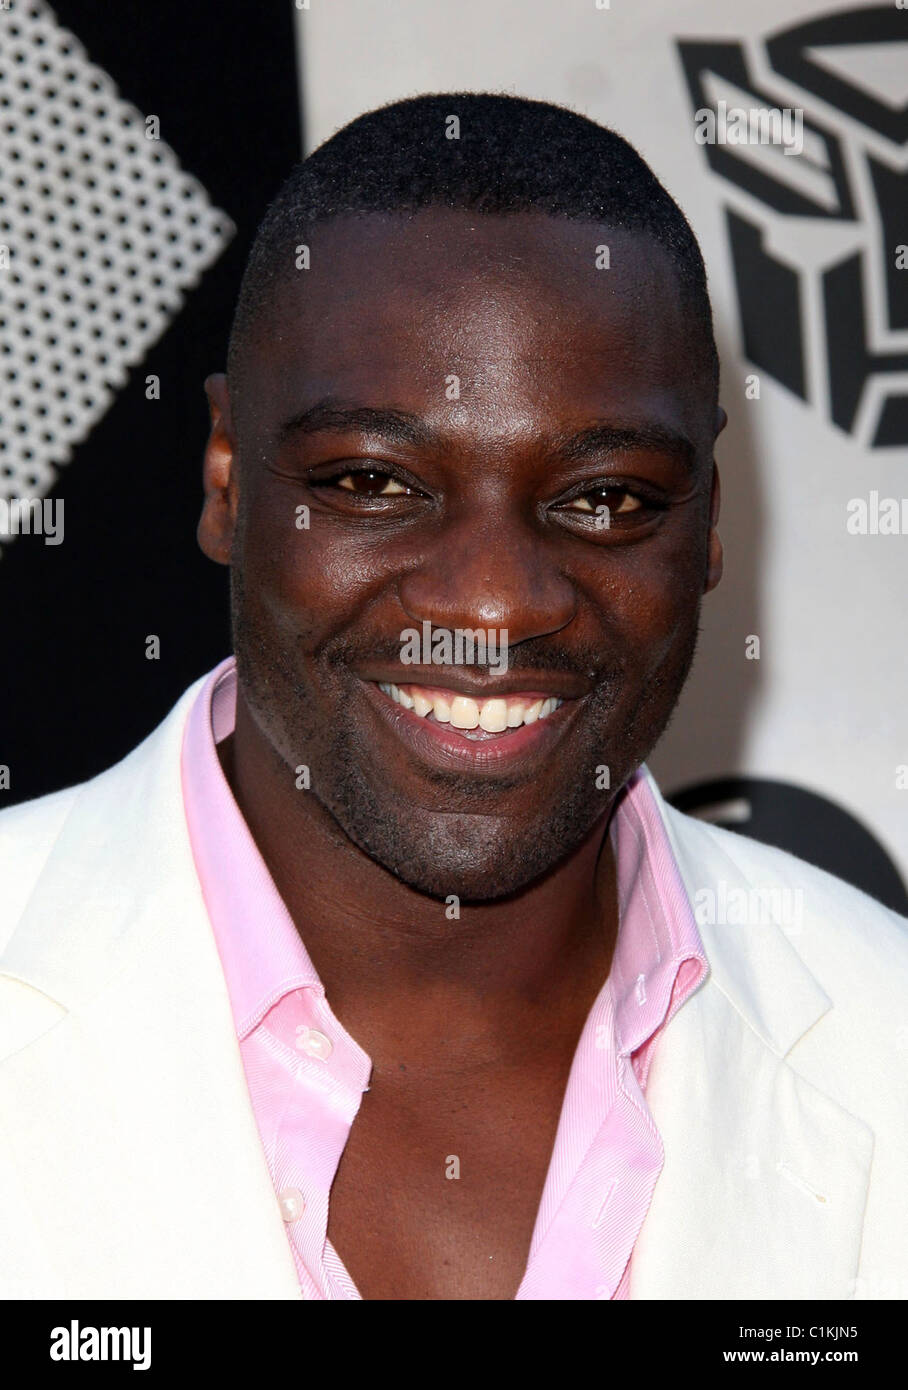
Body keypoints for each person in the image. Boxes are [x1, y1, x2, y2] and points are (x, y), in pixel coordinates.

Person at [1, 93, 905, 1302]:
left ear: (707, 526)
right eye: (372, 480)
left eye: (604, 497)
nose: (490, 606)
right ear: (226, 478)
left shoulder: (881, 1039)